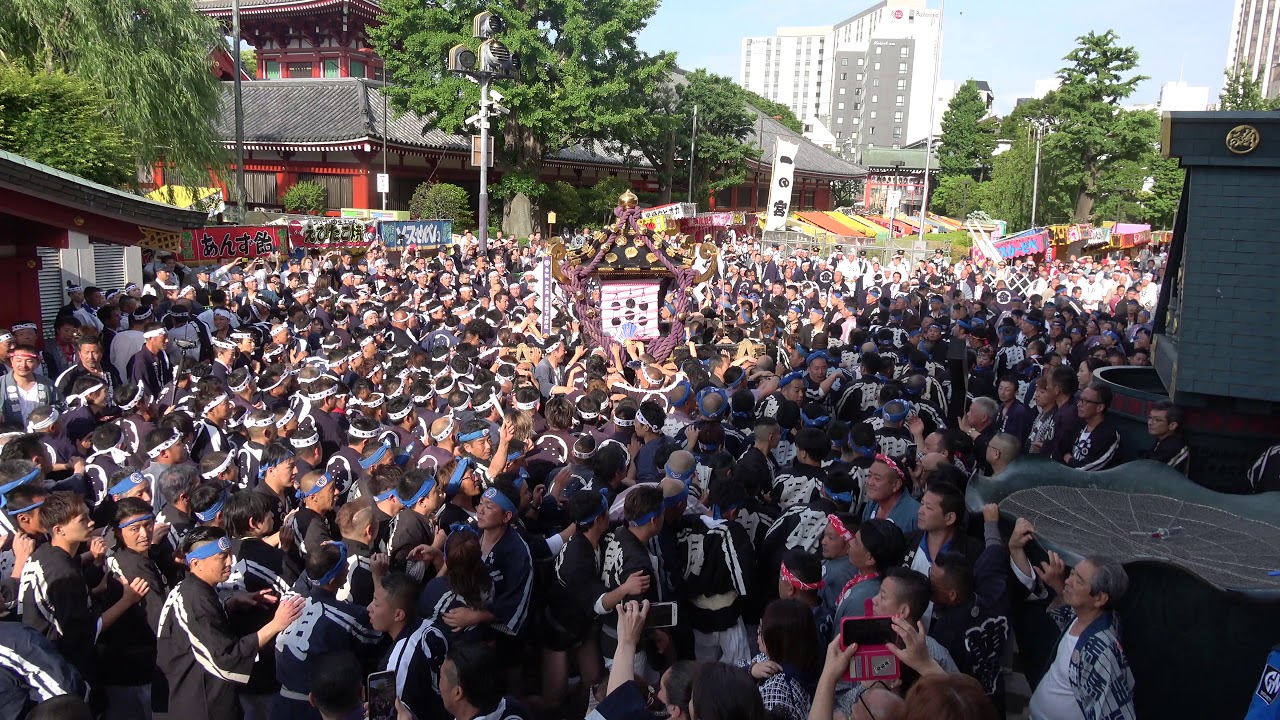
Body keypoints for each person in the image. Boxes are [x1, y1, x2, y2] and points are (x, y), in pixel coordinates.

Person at [156, 526, 305, 720]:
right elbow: (225, 657)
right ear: (196, 563)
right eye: (222, 557)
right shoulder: (196, 599)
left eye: (229, 554)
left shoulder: (192, 588)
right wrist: (276, 624)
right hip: (201, 705)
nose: (230, 562)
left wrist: (230, 605)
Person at [1009, 518, 1136, 720]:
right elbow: (1064, 609)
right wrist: (1056, 583)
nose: (1069, 581)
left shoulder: (1101, 652)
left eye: (1079, 581)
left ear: (1100, 598)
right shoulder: (1087, 617)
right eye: (1073, 573)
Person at [743, 598, 823, 720]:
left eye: (762, 630)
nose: (758, 634)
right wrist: (751, 669)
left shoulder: (777, 688)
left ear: (776, 640)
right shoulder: (800, 662)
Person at [1066, 382, 1121, 471]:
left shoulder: (1108, 435)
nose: (1079, 404)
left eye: (1085, 401)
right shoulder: (1079, 423)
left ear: (1099, 408)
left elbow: (1087, 468)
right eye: (1080, 399)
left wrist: (1069, 460)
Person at [860, 454, 920, 534]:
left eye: (877, 479)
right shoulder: (871, 505)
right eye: (869, 476)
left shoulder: (915, 514)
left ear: (896, 485)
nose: (870, 482)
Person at [1141, 400, 1189, 475]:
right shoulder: (1163, 439)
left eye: (1157, 420)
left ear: (1172, 426)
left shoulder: (1171, 448)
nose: (1150, 422)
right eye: (1150, 417)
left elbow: (1149, 474)